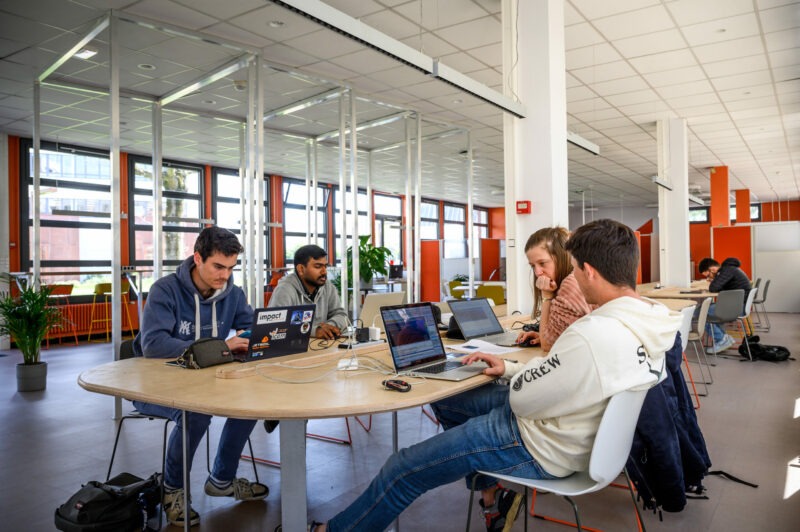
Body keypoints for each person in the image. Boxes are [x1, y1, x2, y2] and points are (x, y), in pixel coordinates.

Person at [307, 219, 682, 532]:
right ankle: (490, 496)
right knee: (449, 397)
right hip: (577, 428)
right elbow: (565, 374)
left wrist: (515, 379)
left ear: (589, 271)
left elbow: (522, 400)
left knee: (402, 468)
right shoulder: (653, 324)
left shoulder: (591, 335)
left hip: (541, 443)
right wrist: (511, 367)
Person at [132, 226, 268, 527]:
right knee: (194, 413)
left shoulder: (232, 293)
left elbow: (251, 328)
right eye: (218, 266)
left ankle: (221, 480)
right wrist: (222, 347)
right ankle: (173, 489)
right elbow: (152, 345)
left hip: (205, 380)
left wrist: (259, 337)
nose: (225, 275)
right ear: (197, 258)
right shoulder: (164, 290)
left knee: (250, 405)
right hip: (155, 385)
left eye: (231, 268)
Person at [515, 226, 594, 351]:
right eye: (532, 266)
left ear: (562, 257)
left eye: (542, 263)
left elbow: (548, 345)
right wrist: (542, 335)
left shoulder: (570, 284)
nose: (537, 272)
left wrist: (547, 297)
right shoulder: (576, 278)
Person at [268, 244, 348, 340]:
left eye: (325, 266)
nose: (324, 272)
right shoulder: (285, 290)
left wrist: (329, 327)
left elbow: (341, 315)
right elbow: (275, 327)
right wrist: (315, 331)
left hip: (321, 347)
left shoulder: (327, 286)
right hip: (294, 351)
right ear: (301, 269)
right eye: (318, 266)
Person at [698, 257, 752, 353]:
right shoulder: (730, 269)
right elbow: (721, 287)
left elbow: (713, 288)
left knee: (701, 312)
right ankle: (722, 338)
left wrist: (714, 279)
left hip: (737, 308)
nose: (709, 278)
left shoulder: (727, 270)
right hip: (737, 305)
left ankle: (722, 339)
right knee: (703, 310)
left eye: (708, 275)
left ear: (712, 269)